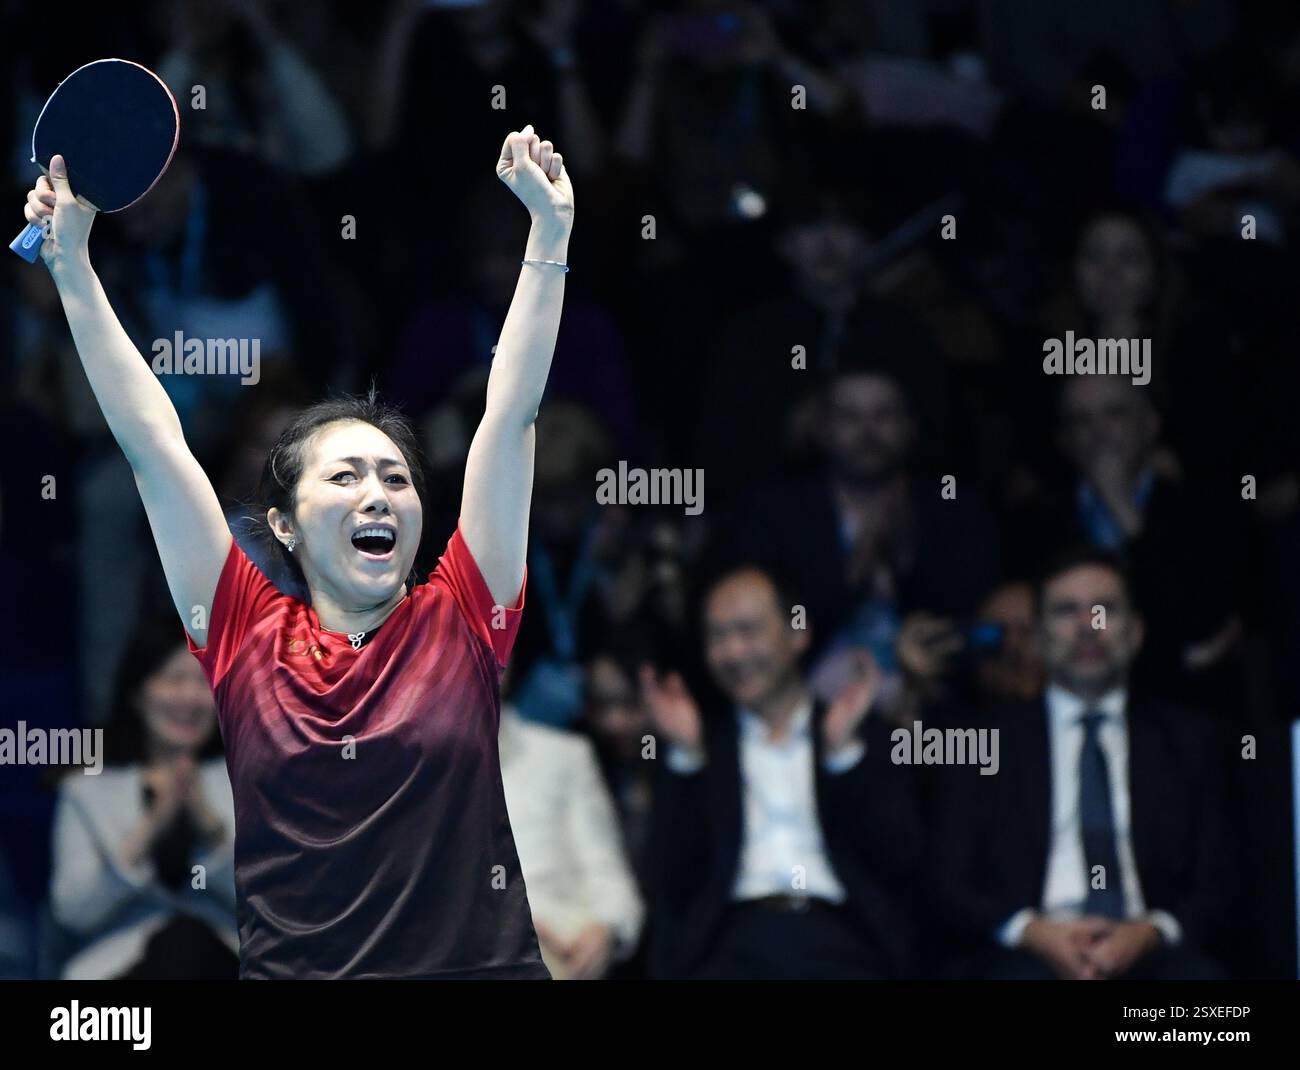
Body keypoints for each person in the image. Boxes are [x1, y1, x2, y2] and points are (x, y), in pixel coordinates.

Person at [22, 123, 574, 978]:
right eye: (346, 476)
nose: (377, 493)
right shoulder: (242, 629)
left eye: (395, 478)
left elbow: (512, 415)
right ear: (283, 523)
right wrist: (75, 269)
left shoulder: (466, 609)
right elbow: (151, 443)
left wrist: (549, 235)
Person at [928, 547, 1232, 980]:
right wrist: (1031, 932)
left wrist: (1149, 931)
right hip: (1024, 955)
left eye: (1104, 609)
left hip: (1151, 954)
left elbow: (1216, 880)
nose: (1089, 627)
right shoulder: (981, 742)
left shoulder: (1187, 740)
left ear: (1136, 631)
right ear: (1037, 636)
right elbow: (949, 883)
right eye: (1066, 611)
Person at [642, 564, 920, 979]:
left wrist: (843, 756)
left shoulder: (858, 731)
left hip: (841, 936)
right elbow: (668, 882)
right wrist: (690, 757)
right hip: (733, 940)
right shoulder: (702, 742)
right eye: (717, 636)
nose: (733, 653)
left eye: (749, 631)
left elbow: (905, 862)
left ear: (798, 632)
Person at [49, 623, 238, 979]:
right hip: (120, 966)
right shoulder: (86, 792)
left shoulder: (247, 781)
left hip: (224, 960)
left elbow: (274, 906)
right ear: (137, 693)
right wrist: (150, 829)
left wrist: (210, 828)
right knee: (177, 947)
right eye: (172, 679)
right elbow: (73, 913)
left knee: (187, 943)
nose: (188, 697)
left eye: (202, 683)